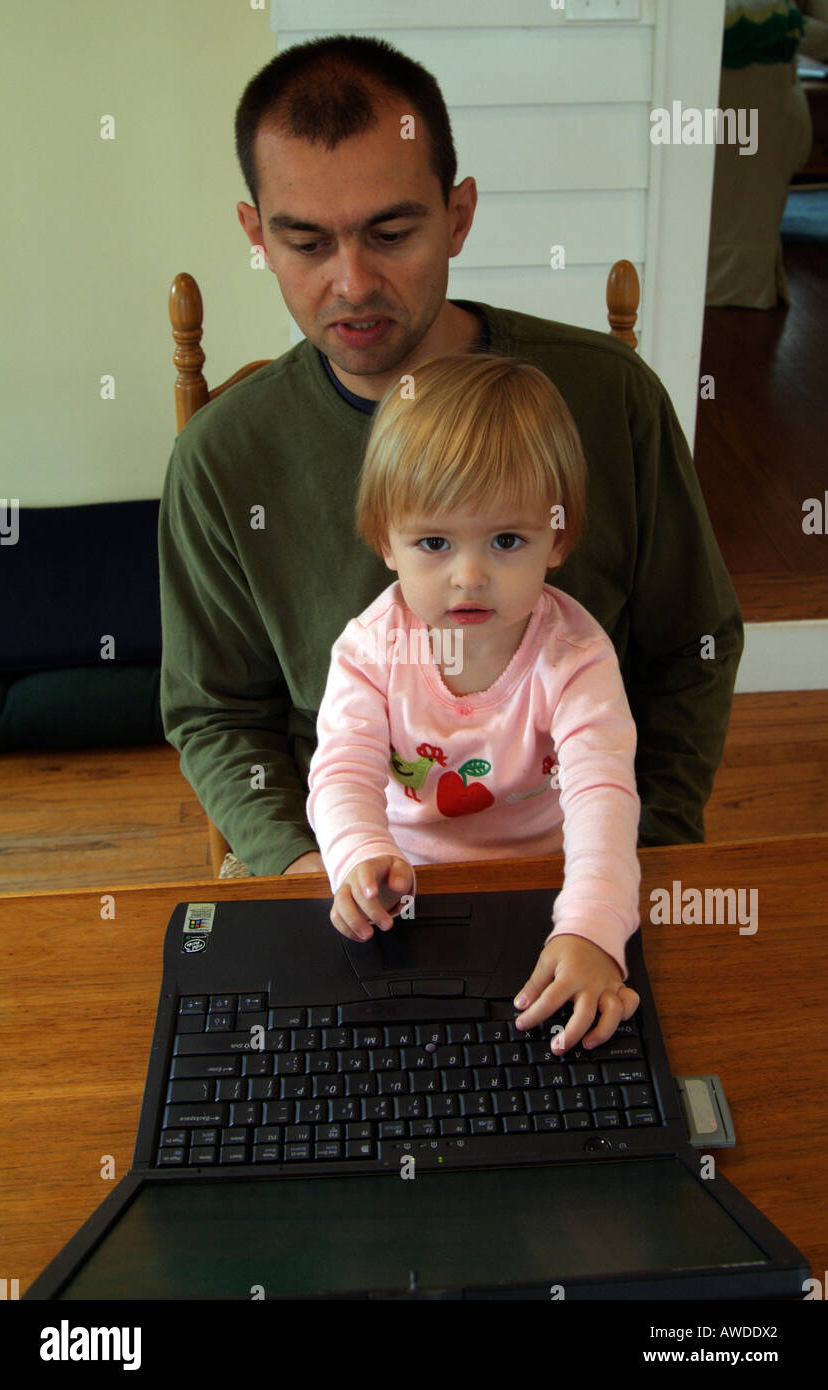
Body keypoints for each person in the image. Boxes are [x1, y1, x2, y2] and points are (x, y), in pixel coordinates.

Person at [158, 34, 743, 882]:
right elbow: (215, 713)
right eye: (306, 244)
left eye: (391, 233)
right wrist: (304, 867)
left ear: (458, 215)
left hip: (584, 854)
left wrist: (642, 853)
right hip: (329, 865)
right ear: (256, 234)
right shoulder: (221, 458)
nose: (351, 283)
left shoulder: (610, 398)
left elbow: (691, 644)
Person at [306, 354, 642, 1048]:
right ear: (385, 542)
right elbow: (341, 771)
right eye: (434, 542)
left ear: (559, 539)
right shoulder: (370, 650)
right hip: (408, 892)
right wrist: (358, 854)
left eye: (506, 540)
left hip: (546, 886)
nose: (469, 576)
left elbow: (603, 796)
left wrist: (592, 926)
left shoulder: (576, 658)